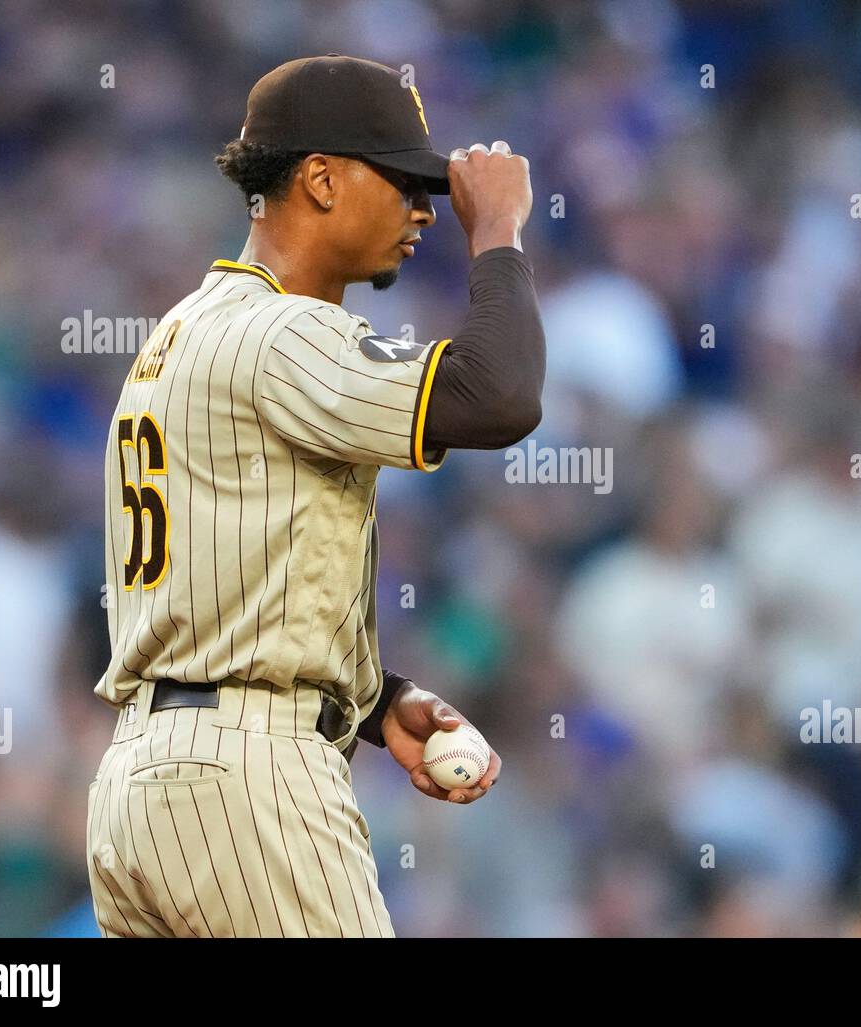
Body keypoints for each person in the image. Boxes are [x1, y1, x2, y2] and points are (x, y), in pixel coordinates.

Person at [85, 54, 544, 937]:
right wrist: (499, 236)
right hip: (248, 781)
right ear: (322, 179)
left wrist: (375, 705)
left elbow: (227, 587)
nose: (423, 210)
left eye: (433, 193)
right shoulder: (281, 330)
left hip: (143, 787)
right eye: (406, 181)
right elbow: (500, 396)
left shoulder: (180, 331)